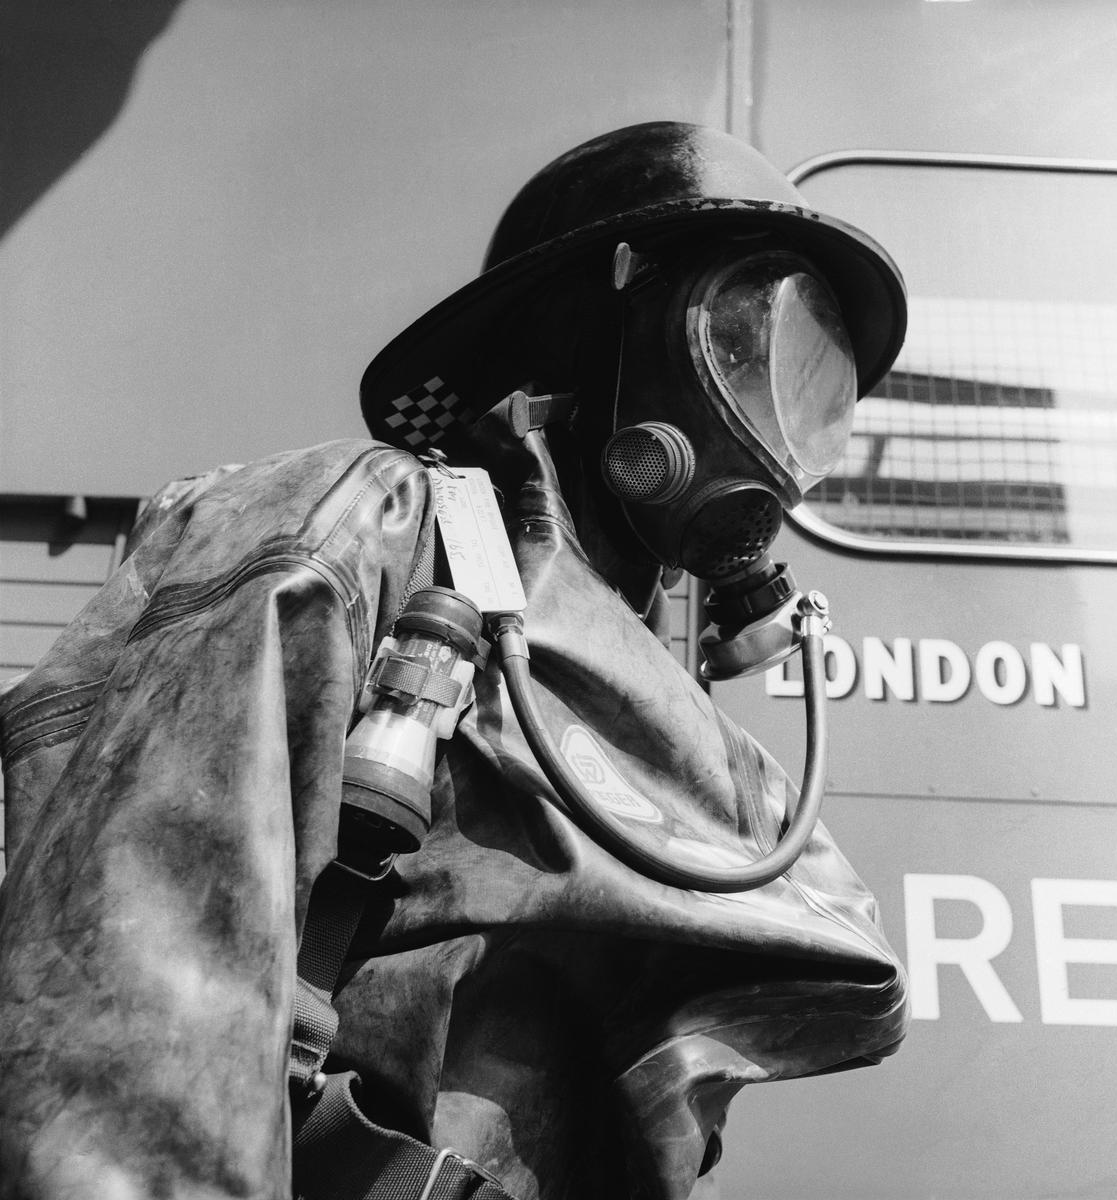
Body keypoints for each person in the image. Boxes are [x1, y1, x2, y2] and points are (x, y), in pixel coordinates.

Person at [0, 122, 908, 1200]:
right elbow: (140, 993)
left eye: (813, 391)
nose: (775, 429)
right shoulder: (370, 523)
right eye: (749, 345)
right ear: (604, 315)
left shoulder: (713, 775)